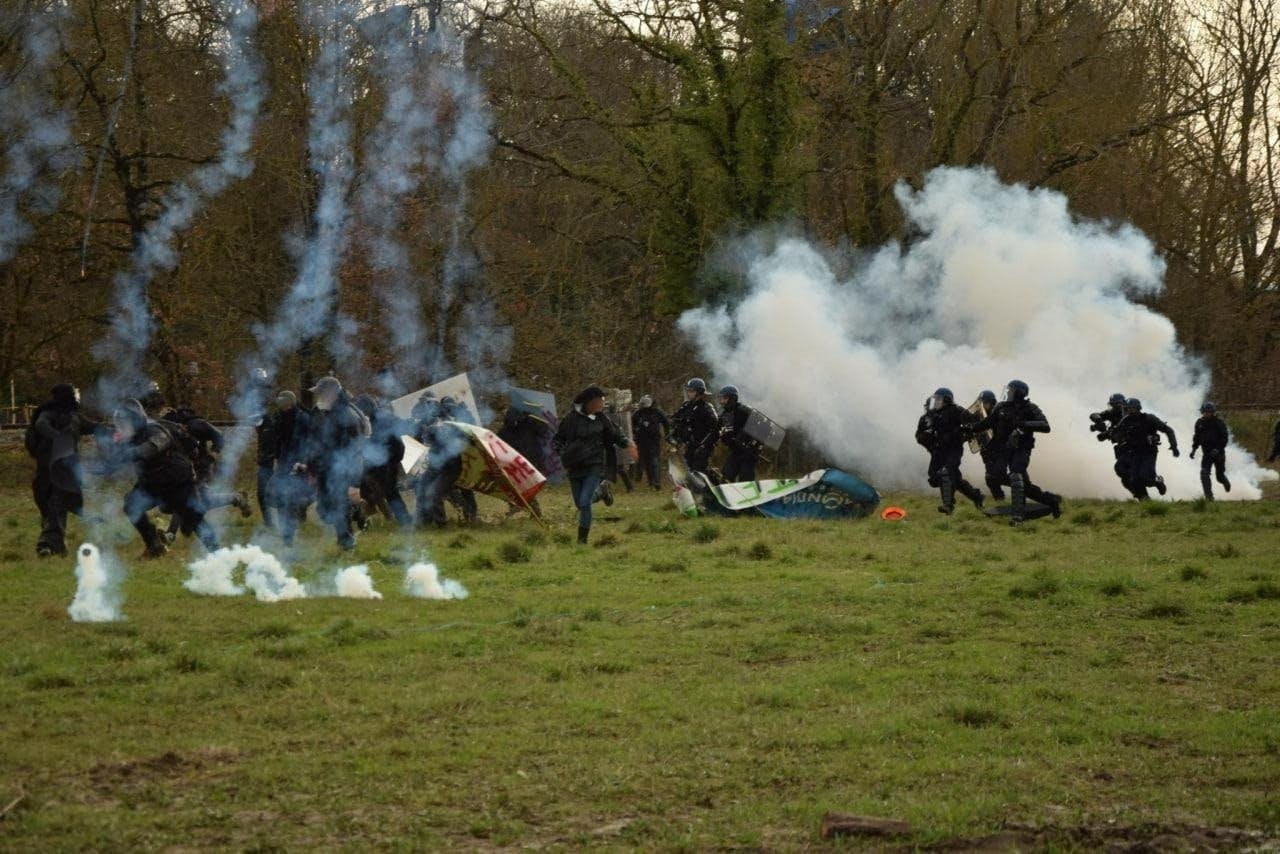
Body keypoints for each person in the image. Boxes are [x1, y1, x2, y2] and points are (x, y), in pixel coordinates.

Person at [112, 398, 218, 556]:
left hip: (177, 481)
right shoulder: (128, 439)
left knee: (193, 518)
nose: (121, 427)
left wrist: (130, 453)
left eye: (124, 422)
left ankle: (218, 553)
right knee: (132, 505)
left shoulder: (155, 429)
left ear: (135, 420)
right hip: (152, 482)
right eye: (119, 423)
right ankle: (154, 546)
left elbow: (153, 447)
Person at [965, 380, 1062, 525]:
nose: (1007, 393)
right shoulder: (1000, 407)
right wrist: (970, 428)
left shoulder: (1030, 408)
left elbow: (1045, 426)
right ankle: (1051, 501)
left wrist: (1024, 425)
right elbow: (987, 423)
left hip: (1021, 449)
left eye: (1010, 391)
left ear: (1018, 393)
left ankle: (1018, 517)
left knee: (1016, 476)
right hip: (1003, 449)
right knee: (997, 476)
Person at [296, 377, 368, 550]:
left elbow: (356, 452)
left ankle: (346, 542)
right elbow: (314, 442)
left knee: (339, 507)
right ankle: (356, 510)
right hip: (322, 469)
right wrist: (310, 467)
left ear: (332, 393)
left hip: (342, 470)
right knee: (324, 511)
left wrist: (354, 484)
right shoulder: (318, 412)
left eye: (321, 393)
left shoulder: (348, 416)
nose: (318, 396)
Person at [29, 384, 100, 557]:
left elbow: (95, 427)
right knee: (52, 506)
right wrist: (59, 438)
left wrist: (118, 427)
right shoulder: (48, 414)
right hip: (50, 469)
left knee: (57, 504)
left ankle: (52, 545)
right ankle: (48, 543)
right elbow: (41, 425)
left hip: (63, 470)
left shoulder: (75, 417)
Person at [555, 386, 630, 545]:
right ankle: (602, 492)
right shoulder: (570, 419)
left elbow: (616, 433)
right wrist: (562, 453)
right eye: (600, 401)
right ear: (589, 402)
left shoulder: (602, 419)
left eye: (603, 401)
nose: (602, 405)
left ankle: (582, 542)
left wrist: (628, 444)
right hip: (574, 466)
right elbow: (558, 439)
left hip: (594, 466)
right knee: (580, 504)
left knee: (584, 503)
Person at [916, 387, 985, 514]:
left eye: (939, 399)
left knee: (946, 473)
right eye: (935, 400)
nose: (936, 402)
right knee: (938, 478)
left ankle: (948, 506)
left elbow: (974, 423)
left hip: (953, 449)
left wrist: (961, 432)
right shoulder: (927, 418)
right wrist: (927, 437)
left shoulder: (956, 411)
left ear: (947, 400)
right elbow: (919, 436)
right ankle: (977, 496)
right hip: (937, 451)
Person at [354, 394, 412, 527]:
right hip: (381, 459)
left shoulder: (382, 417)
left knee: (390, 491)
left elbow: (392, 435)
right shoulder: (374, 418)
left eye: (363, 409)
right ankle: (377, 516)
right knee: (372, 486)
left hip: (390, 458)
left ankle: (404, 520)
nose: (362, 412)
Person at [1108, 398, 1179, 499]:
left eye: (1132, 409)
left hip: (1149, 452)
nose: (1130, 411)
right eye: (1128, 409)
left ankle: (1158, 483)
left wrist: (1174, 446)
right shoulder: (1126, 421)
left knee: (1146, 478)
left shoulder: (1149, 419)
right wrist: (1111, 434)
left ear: (1138, 408)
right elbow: (1116, 434)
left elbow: (1168, 430)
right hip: (1135, 453)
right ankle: (1145, 500)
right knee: (1133, 479)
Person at [269, 391, 314, 547]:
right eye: (281, 405)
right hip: (284, 463)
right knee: (280, 498)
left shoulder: (304, 418)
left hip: (300, 464)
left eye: (286, 404)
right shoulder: (279, 419)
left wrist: (306, 462)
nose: (283, 407)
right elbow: (278, 440)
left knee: (295, 499)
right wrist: (276, 459)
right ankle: (286, 536)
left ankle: (290, 533)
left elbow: (311, 441)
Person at [670, 378, 719, 476]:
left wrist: (704, 445)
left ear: (699, 392)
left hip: (703, 447)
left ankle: (713, 481)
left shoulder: (707, 408)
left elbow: (716, 428)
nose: (688, 393)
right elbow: (677, 420)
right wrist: (674, 436)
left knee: (699, 473)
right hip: (690, 446)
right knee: (689, 473)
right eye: (688, 390)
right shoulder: (687, 406)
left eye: (691, 391)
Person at [717, 385, 761, 482]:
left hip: (749, 453)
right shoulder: (723, 415)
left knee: (746, 479)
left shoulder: (744, 411)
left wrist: (748, 442)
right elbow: (717, 431)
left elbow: (760, 429)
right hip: (735, 451)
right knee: (726, 475)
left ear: (733, 398)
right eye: (721, 398)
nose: (722, 401)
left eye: (725, 398)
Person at [1190, 402, 1231, 500]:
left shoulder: (1219, 422)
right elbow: (1197, 437)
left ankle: (1225, 482)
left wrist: (1218, 449)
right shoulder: (1199, 423)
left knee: (1219, 477)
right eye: (1204, 412)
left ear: (1213, 412)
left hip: (1218, 454)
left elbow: (1224, 438)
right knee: (1204, 473)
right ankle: (1209, 497)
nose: (1206, 414)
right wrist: (1194, 449)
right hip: (1207, 454)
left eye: (1208, 412)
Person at [972, 389, 1006, 500]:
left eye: (985, 402)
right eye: (981, 403)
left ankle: (1023, 489)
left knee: (1000, 476)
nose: (983, 405)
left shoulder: (1000, 413)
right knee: (990, 478)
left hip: (1001, 450)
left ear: (992, 402)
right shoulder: (979, 415)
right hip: (986, 450)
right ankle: (999, 499)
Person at [631, 394, 669, 490]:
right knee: (644, 461)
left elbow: (666, 422)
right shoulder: (638, 413)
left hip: (654, 440)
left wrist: (667, 434)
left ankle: (656, 482)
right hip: (641, 440)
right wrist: (634, 432)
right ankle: (650, 481)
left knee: (654, 460)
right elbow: (631, 423)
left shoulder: (657, 412)